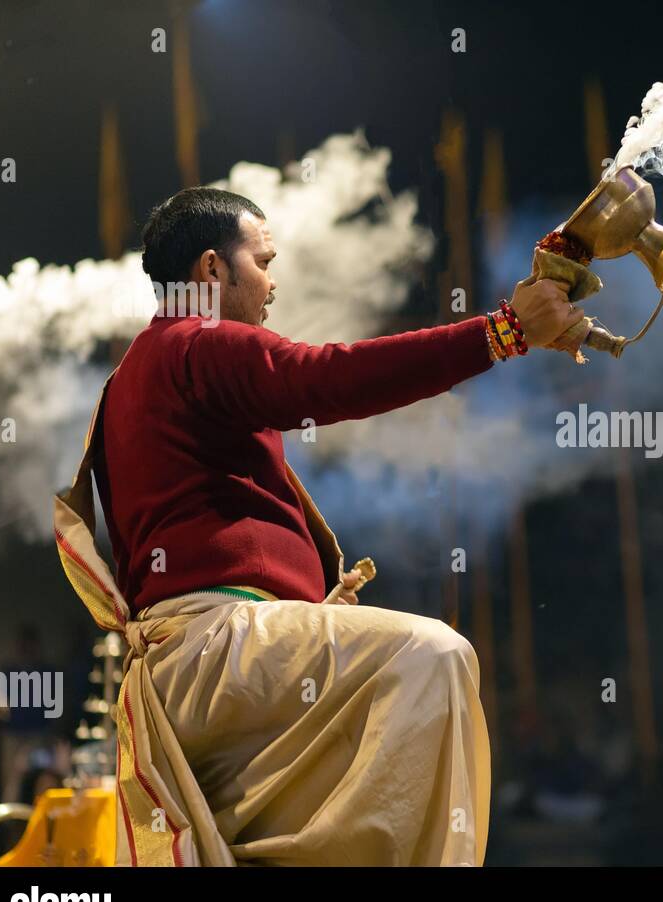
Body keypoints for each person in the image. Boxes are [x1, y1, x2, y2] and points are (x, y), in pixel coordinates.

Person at [52, 186, 591, 866]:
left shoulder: (141, 369)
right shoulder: (196, 341)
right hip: (221, 655)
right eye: (264, 262)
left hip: (200, 674)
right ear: (213, 271)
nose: (273, 285)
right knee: (433, 658)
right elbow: (323, 377)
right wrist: (502, 332)